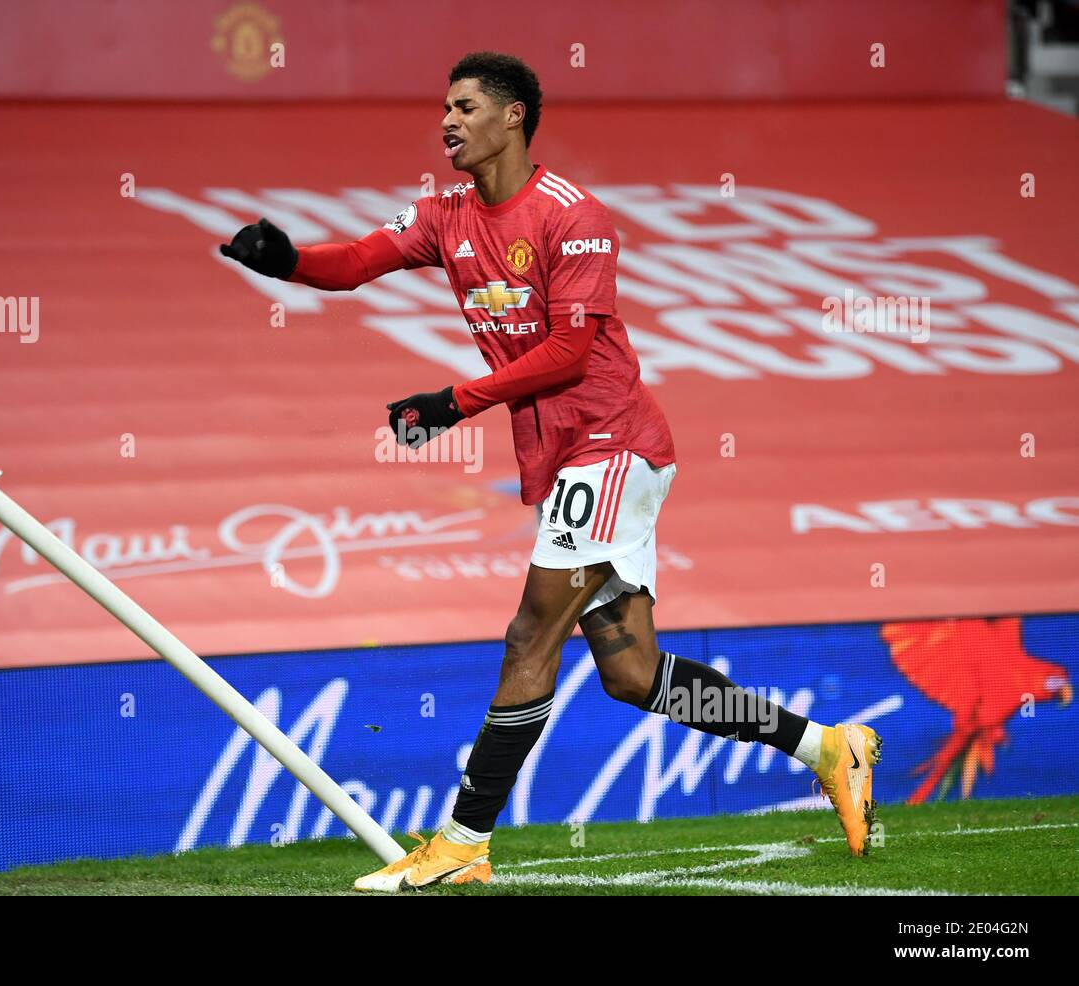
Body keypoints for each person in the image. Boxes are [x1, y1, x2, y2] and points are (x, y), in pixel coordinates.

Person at [220, 50, 881, 893]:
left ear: (513, 117)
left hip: (614, 441)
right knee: (633, 675)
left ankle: (463, 842)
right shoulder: (445, 213)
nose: (447, 122)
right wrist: (285, 260)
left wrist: (456, 401)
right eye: (444, 108)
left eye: (464, 107)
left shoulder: (576, 218)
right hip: (565, 457)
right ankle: (825, 745)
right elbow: (353, 262)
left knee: (533, 633)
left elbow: (569, 354)